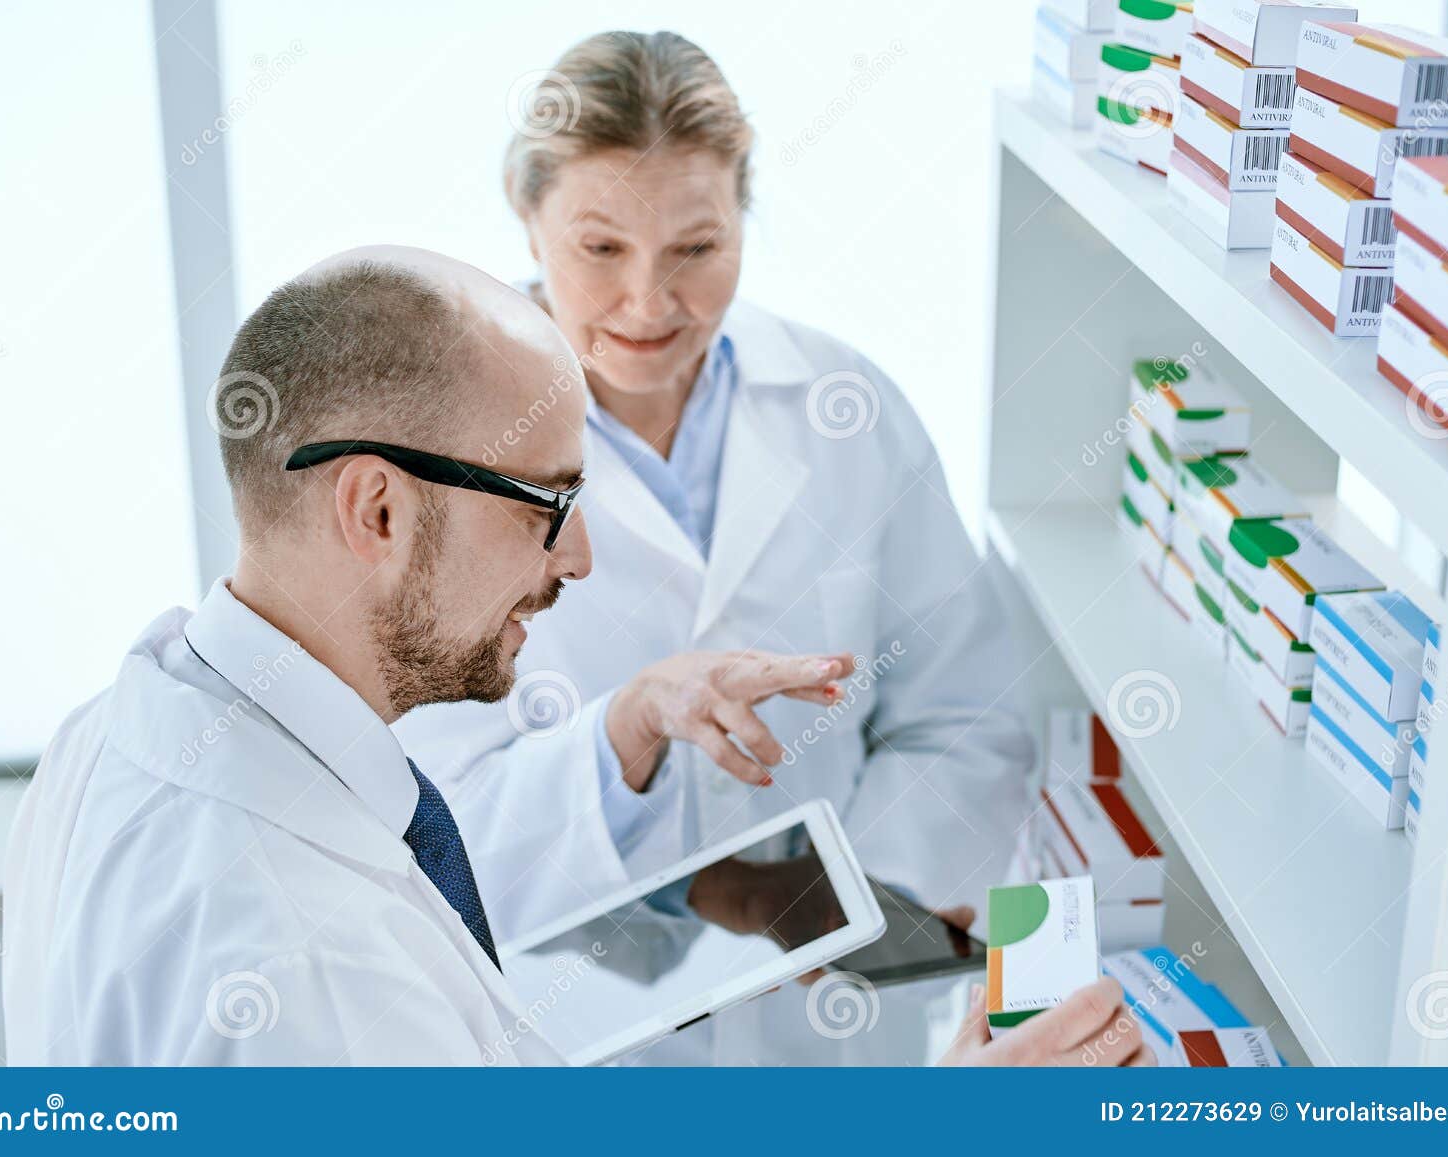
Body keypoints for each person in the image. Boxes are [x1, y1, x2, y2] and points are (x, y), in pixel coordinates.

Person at [0, 243, 1148, 1068]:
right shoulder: (316, 975)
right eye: (545, 502)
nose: (583, 554)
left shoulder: (114, 732)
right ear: (378, 511)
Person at [396, 31, 1039, 1064]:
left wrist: (850, 900)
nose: (650, 303)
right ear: (528, 219)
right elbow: (427, 813)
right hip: (580, 1019)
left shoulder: (847, 409)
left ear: (744, 216)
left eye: (696, 248)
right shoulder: (441, 453)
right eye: (600, 249)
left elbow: (965, 712)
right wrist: (626, 732)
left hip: (831, 1023)